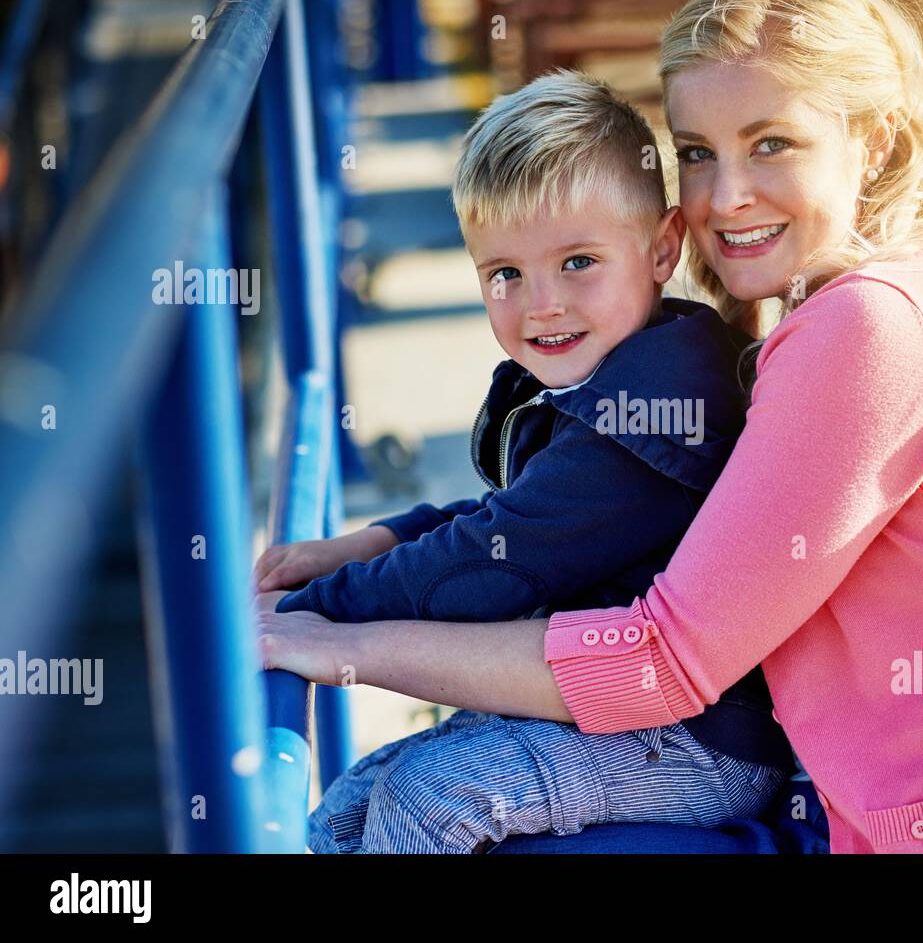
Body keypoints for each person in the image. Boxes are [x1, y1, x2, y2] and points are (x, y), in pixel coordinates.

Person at [257, 0, 923, 854]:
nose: (729, 194)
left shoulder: (873, 328)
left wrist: (339, 641)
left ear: (873, 142)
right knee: (354, 810)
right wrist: (351, 565)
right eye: (700, 152)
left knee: (439, 802)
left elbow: (659, 660)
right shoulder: (810, 312)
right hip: (859, 803)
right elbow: (526, 526)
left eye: (773, 144)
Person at [255, 70, 792, 853]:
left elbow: (493, 564)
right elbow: (509, 518)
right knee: (348, 805)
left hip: (696, 739)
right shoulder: (612, 362)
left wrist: (320, 611)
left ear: (662, 247)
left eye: (578, 261)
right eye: (504, 273)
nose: (541, 303)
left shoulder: (651, 412)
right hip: (600, 706)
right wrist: (370, 542)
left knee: (425, 800)